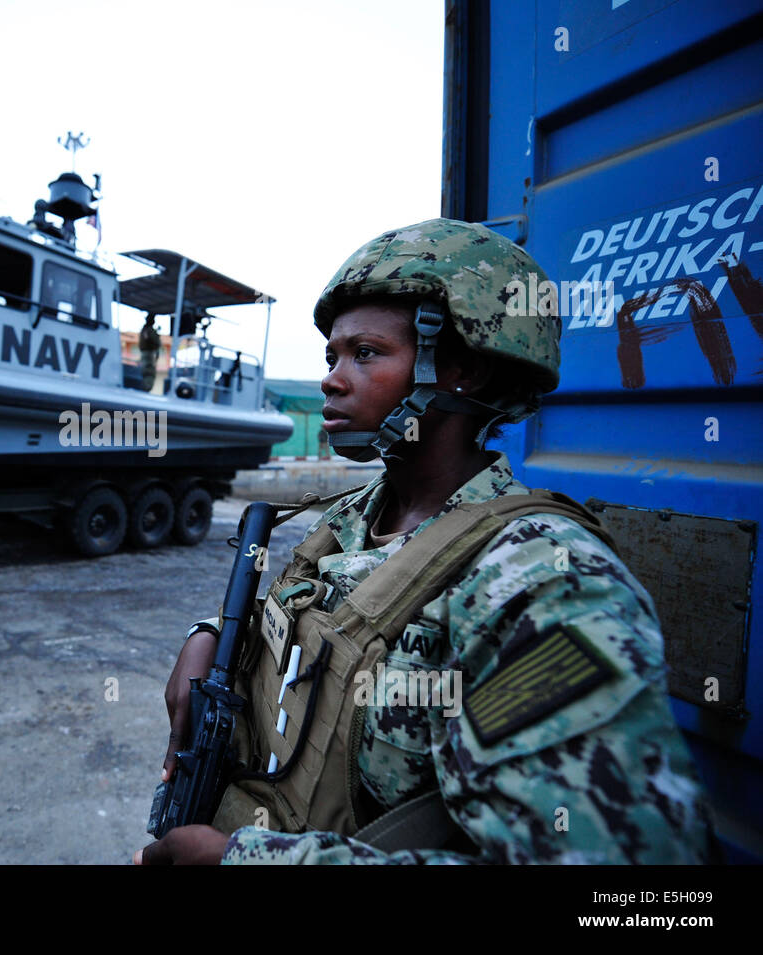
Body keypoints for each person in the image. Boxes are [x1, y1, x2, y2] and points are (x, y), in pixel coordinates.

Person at [134, 219, 716, 865]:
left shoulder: (541, 579)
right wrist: (208, 634)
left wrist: (243, 862)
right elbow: (294, 628)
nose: (331, 377)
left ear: (459, 369)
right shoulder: (351, 517)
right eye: (331, 356)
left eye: (365, 353)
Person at [138, 314, 162, 393]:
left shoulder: (145, 329)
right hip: (149, 354)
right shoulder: (149, 330)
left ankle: (146, 388)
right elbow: (155, 342)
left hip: (147, 353)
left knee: (146, 371)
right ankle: (147, 388)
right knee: (149, 372)